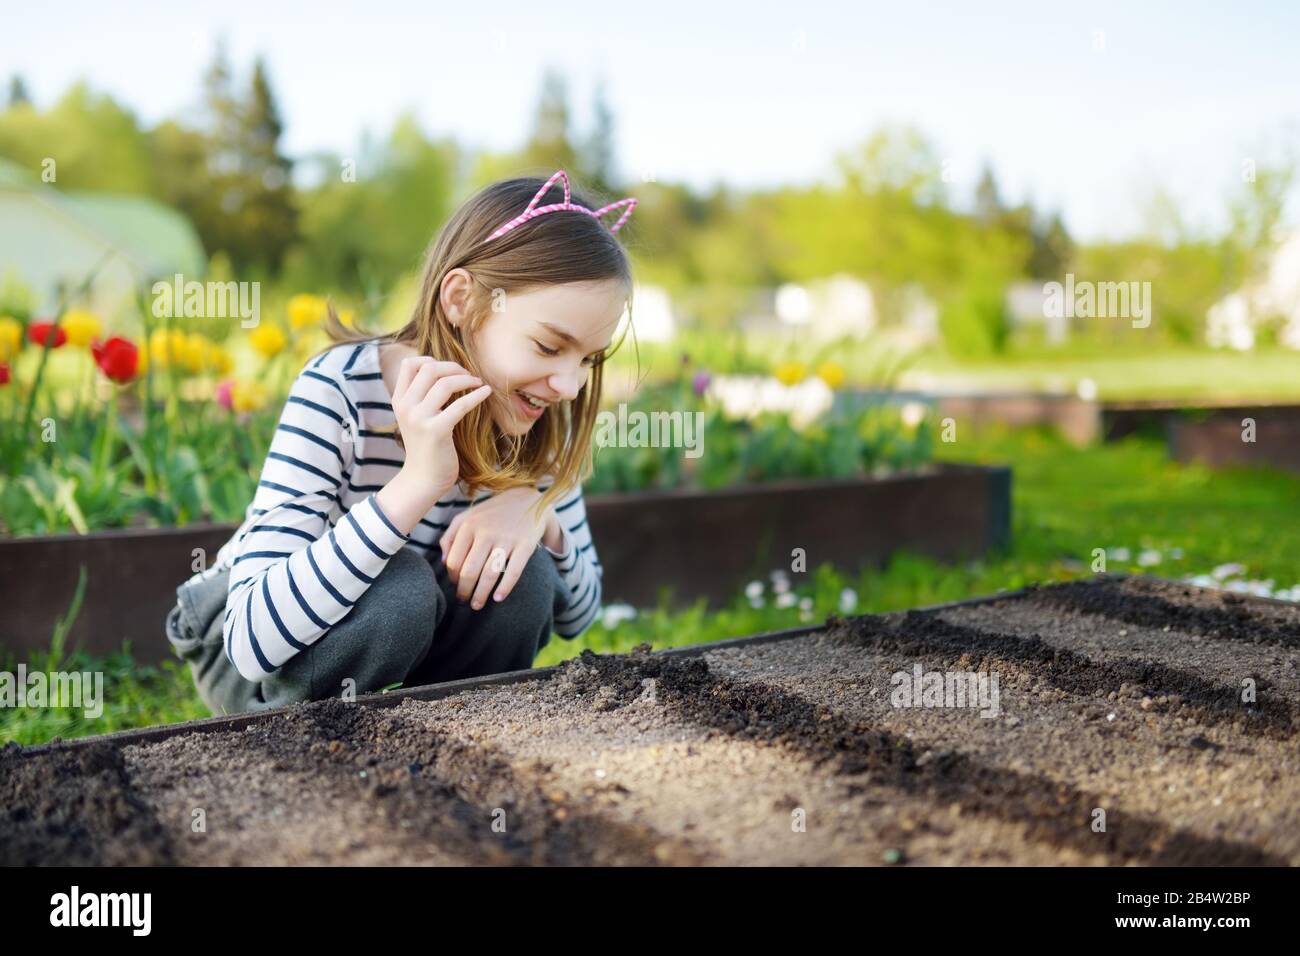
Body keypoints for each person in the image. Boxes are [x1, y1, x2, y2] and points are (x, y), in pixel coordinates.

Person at [164, 170, 637, 715]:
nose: (570, 384)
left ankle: (457, 724)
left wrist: (537, 516)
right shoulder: (338, 389)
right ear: (461, 300)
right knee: (401, 591)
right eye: (549, 345)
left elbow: (578, 614)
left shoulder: (544, 411)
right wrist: (416, 484)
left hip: (409, 638)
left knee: (525, 574)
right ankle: (303, 738)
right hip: (258, 656)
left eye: (588, 359)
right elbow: (251, 641)